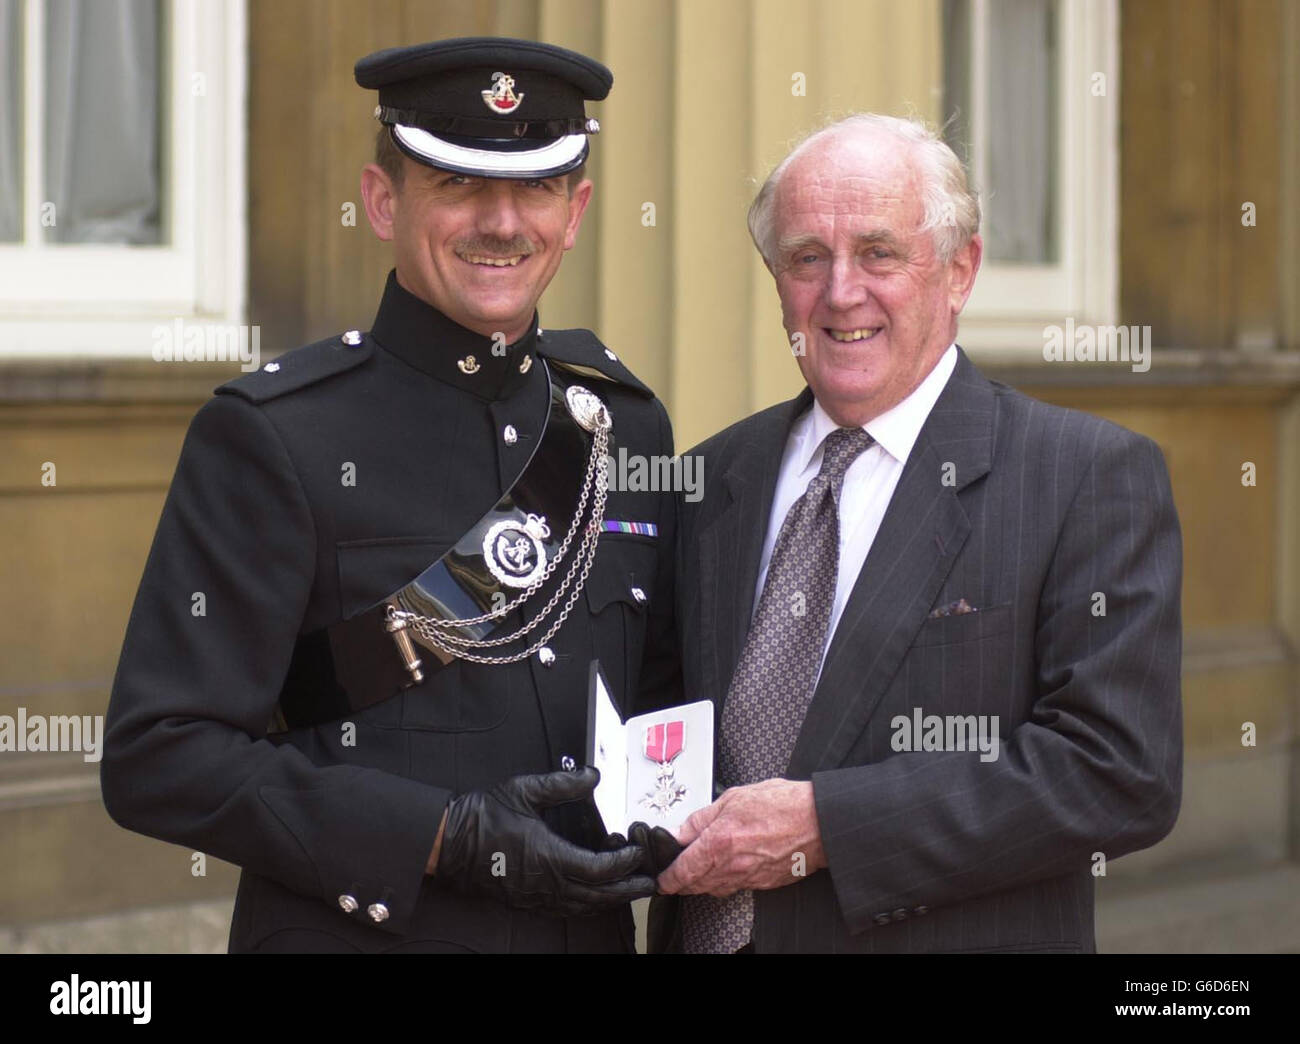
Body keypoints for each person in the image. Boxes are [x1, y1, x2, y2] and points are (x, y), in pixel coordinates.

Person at [101, 37, 680, 954]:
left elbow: (661, 714)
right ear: (382, 201)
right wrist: (442, 839)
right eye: (457, 184)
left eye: (534, 188)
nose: (502, 222)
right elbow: (159, 756)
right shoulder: (276, 435)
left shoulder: (621, 428)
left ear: (575, 212)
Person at [652, 113, 1183, 953]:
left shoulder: (1082, 477)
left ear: (959, 270)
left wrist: (829, 826)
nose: (840, 292)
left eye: (879, 253)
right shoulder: (713, 478)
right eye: (805, 259)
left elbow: (1119, 774)